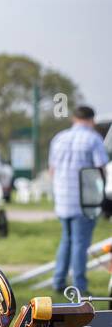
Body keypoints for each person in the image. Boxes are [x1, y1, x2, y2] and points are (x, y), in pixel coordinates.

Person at [49, 105, 109, 297]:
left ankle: (58, 281)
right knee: (80, 243)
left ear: (74, 119)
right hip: (84, 200)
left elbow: (52, 170)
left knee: (66, 240)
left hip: (63, 199)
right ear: (92, 120)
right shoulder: (93, 139)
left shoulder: (59, 138)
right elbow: (101, 169)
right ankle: (79, 286)